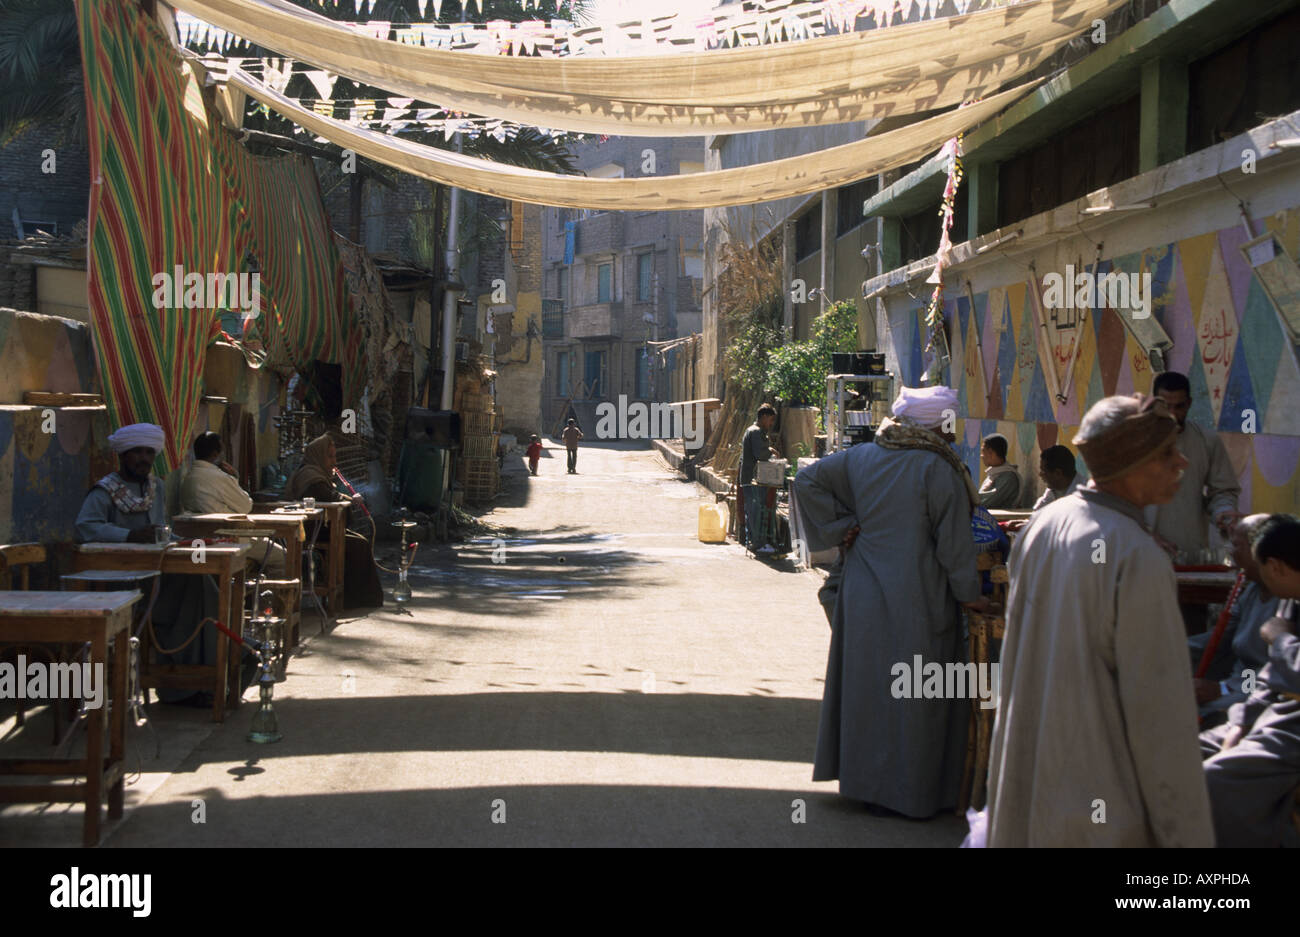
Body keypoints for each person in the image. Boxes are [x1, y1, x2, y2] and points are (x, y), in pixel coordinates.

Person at [985, 394, 1214, 846]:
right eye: (1167, 453)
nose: (1182, 462)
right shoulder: (1137, 555)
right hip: (1103, 803)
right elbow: (1160, 719)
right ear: (1134, 462)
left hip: (1034, 789)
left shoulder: (1045, 526)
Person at [794, 385, 988, 817]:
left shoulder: (864, 456)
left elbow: (807, 479)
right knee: (917, 698)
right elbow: (954, 548)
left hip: (863, 594)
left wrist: (842, 526)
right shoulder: (939, 469)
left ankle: (864, 786)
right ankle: (912, 794)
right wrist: (970, 596)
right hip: (919, 598)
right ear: (937, 423)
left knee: (868, 690)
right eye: (950, 421)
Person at [75, 423, 219, 706]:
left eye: (148, 453)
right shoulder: (104, 492)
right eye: (136, 452)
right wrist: (128, 535)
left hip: (157, 576)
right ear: (123, 455)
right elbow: (85, 528)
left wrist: (193, 543)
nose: (143, 458)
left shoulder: (157, 488)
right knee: (194, 592)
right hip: (122, 583)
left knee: (202, 581)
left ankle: (201, 679)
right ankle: (182, 684)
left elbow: (161, 533)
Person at [1200, 514, 1300, 848]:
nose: (1233, 553)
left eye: (1238, 545)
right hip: (1260, 704)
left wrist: (1280, 640)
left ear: (1275, 566)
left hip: (1290, 722)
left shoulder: (1282, 610)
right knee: (1179, 752)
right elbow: (1267, 680)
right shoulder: (1278, 597)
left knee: (1215, 781)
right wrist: (1240, 724)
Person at [1188, 514, 1277, 726]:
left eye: (1237, 546)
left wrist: (1224, 688)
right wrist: (1168, 649)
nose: (1232, 553)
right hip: (1238, 682)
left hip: (1259, 692)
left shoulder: (1289, 601)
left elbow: (1277, 668)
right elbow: (1218, 638)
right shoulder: (1252, 591)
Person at [286, 434, 383, 610]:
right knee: (358, 545)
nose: (334, 461)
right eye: (330, 456)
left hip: (324, 528)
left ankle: (358, 598)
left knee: (360, 541)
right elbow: (329, 497)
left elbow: (333, 496)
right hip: (312, 531)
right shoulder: (310, 476)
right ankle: (353, 599)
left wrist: (348, 499)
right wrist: (350, 499)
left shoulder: (317, 474)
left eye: (334, 456)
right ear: (318, 455)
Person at [1149, 371, 1241, 556]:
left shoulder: (1206, 440)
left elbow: (1223, 491)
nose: (1173, 413)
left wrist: (1224, 513)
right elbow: (1115, 503)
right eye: (1166, 406)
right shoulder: (1132, 441)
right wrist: (1146, 536)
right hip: (1140, 552)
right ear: (1154, 403)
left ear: (1189, 404)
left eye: (1179, 406)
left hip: (1189, 551)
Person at [181, 431, 285, 575]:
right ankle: (270, 596)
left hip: (200, 538)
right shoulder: (218, 477)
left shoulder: (189, 477)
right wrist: (234, 478)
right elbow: (246, 506)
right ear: (215, 453)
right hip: (227, 538)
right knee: (282, 557)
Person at [740, 404, 780, 555]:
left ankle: (753, 542)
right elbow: (761, 455)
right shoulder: (756, 432)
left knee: (752, 511)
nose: (771, 424)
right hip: (753, 479)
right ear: (764, 417)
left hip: (748, 478)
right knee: (756, 512)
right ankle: (759, 544)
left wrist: (769, 449)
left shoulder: (751, 430)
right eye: (770, 420)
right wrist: (771, 454)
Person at [1031, 445, 1080, 510]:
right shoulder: (1054, 489)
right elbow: (1039, 511)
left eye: (1043, 471)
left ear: (1058, 473)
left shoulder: (1084, 495)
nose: (1040, 474)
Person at [977, 433, 1020, 509]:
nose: (981, 456)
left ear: (991, 453)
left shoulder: (1008, 477)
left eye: (983, 451)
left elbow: (987, 501)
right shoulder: (994, 473)